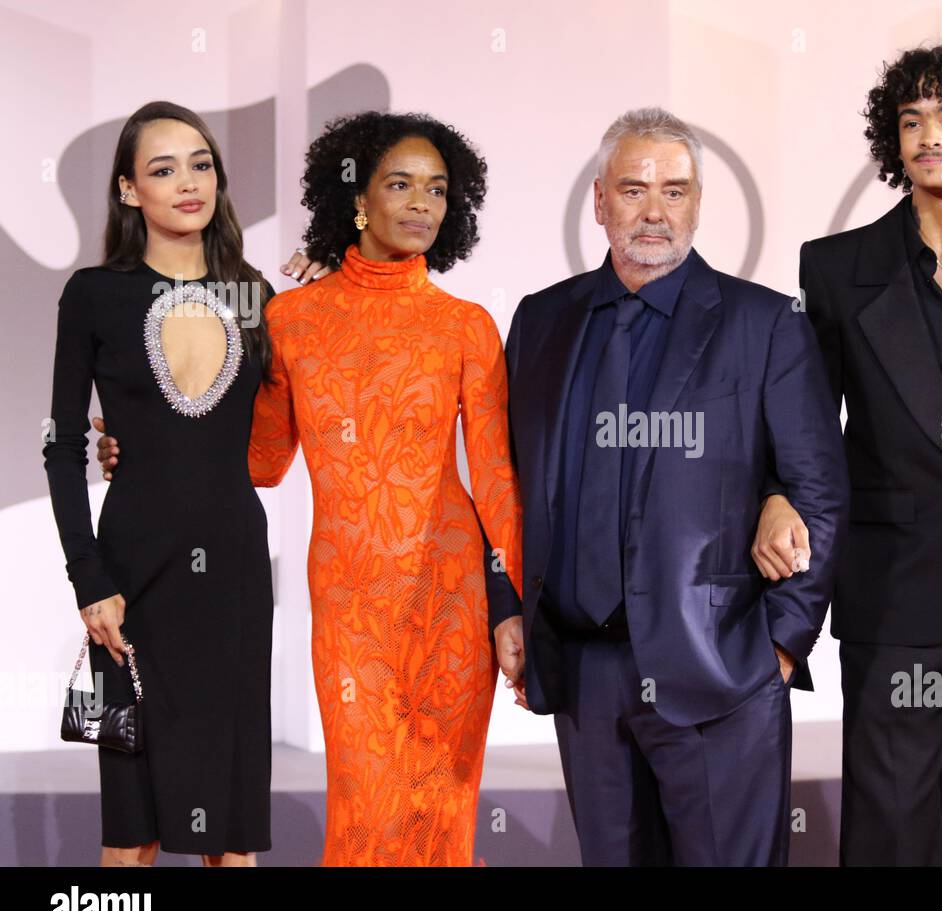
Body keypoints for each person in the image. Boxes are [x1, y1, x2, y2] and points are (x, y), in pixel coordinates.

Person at [99, 111, 524, 867]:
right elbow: (259, 462)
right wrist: (136, 438)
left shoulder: (467, 326)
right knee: (366, 801)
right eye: (401, 184)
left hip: (450, 601)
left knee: (442, 804)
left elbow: (495, 481)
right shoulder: (291, 319)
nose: (423, 202)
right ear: (357, 198)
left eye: (437, 189)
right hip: (351, 603)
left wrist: (517, 610)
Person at [499, 107, 848, 866]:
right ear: (599, 202)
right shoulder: (540, 322)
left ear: (697, 202)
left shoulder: (765, 323)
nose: (655, 210)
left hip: (720, 671)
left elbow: (818, 486)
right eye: (634, 189)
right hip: (586, 677)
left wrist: (780, 649)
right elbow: (509, 485)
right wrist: (510, 608)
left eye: (676, 190)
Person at [753, 44, 942, 865]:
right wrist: (777, 493)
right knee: (892, 829)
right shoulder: (838, 268)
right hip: (893, 592)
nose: (929, 135)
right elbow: (805, 421)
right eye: (911, 121)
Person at [44, 101, 276, 866]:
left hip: (234, 578)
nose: (188, 183)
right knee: (130, 832)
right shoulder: (93, 295)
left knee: (231, 839)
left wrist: (320, 287)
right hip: (131, 577)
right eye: (163, 169)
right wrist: (89, 579)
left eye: (201, 164)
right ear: (127, 190)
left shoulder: (258, 297)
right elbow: (65, 445)